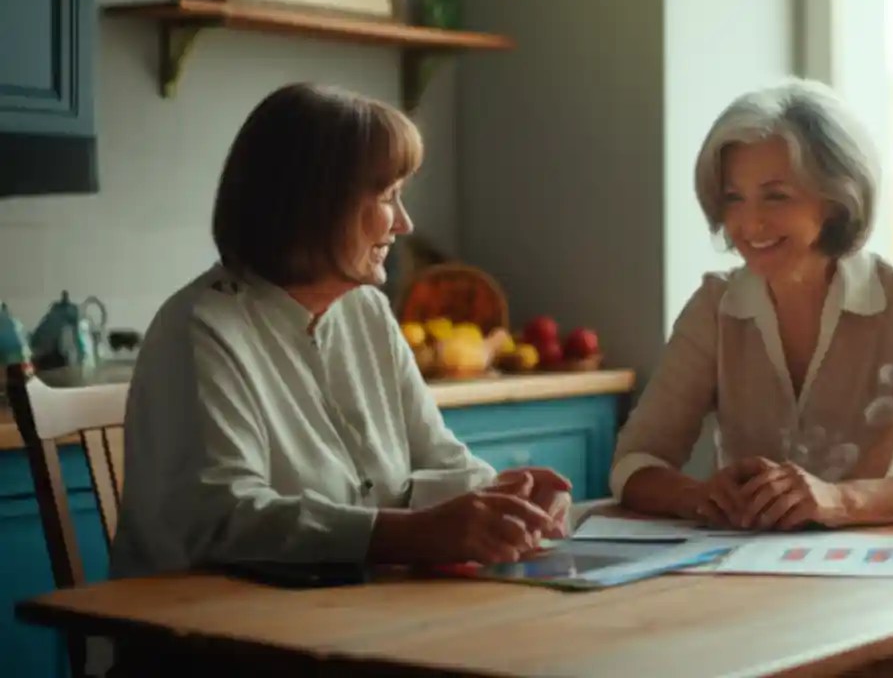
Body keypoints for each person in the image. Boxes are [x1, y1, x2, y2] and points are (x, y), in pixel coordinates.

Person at [111, 83, 571, 578]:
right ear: (313, 204)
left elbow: (437, 458)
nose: (405, 224)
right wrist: (413, 534)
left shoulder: (368, 312)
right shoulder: (200, 330)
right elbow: (224, 517)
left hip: (347, 613)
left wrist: (503, 498)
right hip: (209, 638)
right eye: (389, 197)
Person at [611, 78, 893, 531]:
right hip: (748, 573)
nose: (749, 222)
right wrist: (698, 496)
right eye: (734, 197)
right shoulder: (713, 308)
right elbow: (634, 462)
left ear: (837, 200)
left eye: (776, 196)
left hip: (888, 577)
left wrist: (839, 500)